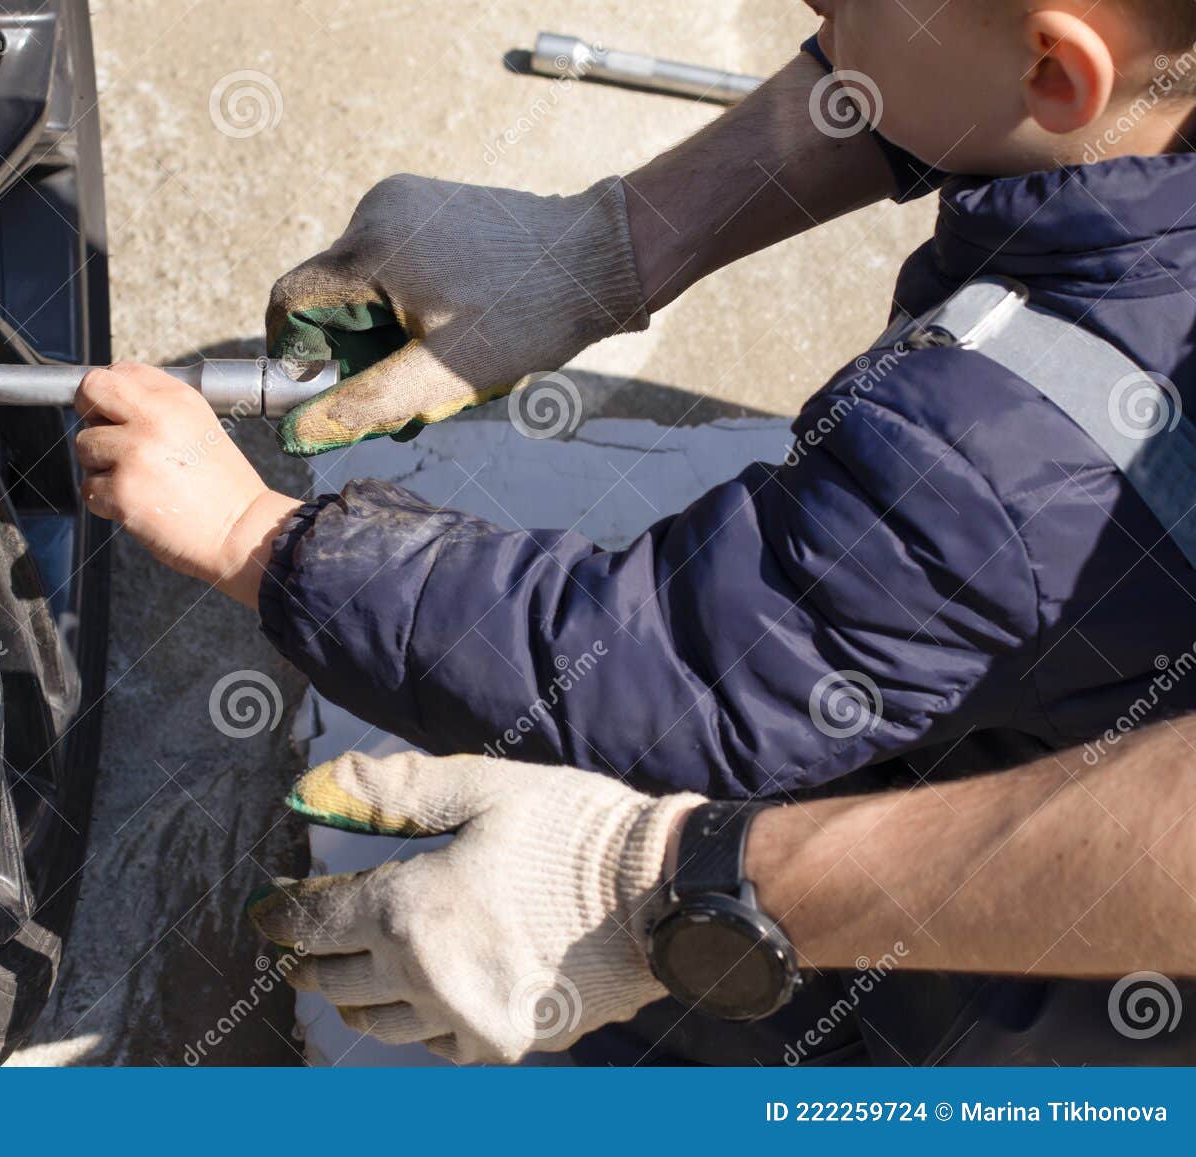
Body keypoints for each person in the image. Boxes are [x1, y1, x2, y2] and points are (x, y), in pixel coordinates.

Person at [74, 1, 1196, 1063]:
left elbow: (659, 672)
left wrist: (253, 535)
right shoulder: (1127, 154)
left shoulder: (986, 463)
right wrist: (609, 245)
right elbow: (957, 80)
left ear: (1057, 70)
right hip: (1083, 625)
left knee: (785, 980)